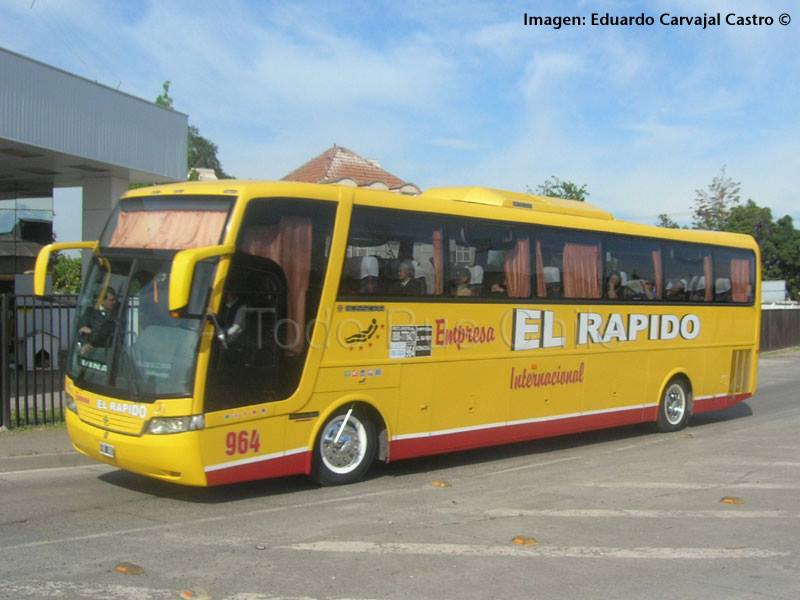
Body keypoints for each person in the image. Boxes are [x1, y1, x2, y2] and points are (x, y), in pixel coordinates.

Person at [77, 288, 119, 355]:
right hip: (93, 353)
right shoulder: (90, 313)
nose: (114, 302)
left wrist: (91, 331)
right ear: (102, 301)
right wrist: (85, 344)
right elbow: (81, 332)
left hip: (108, 352)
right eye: (111, 300)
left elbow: (109, 335)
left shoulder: (117, 313)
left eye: (115, 300)